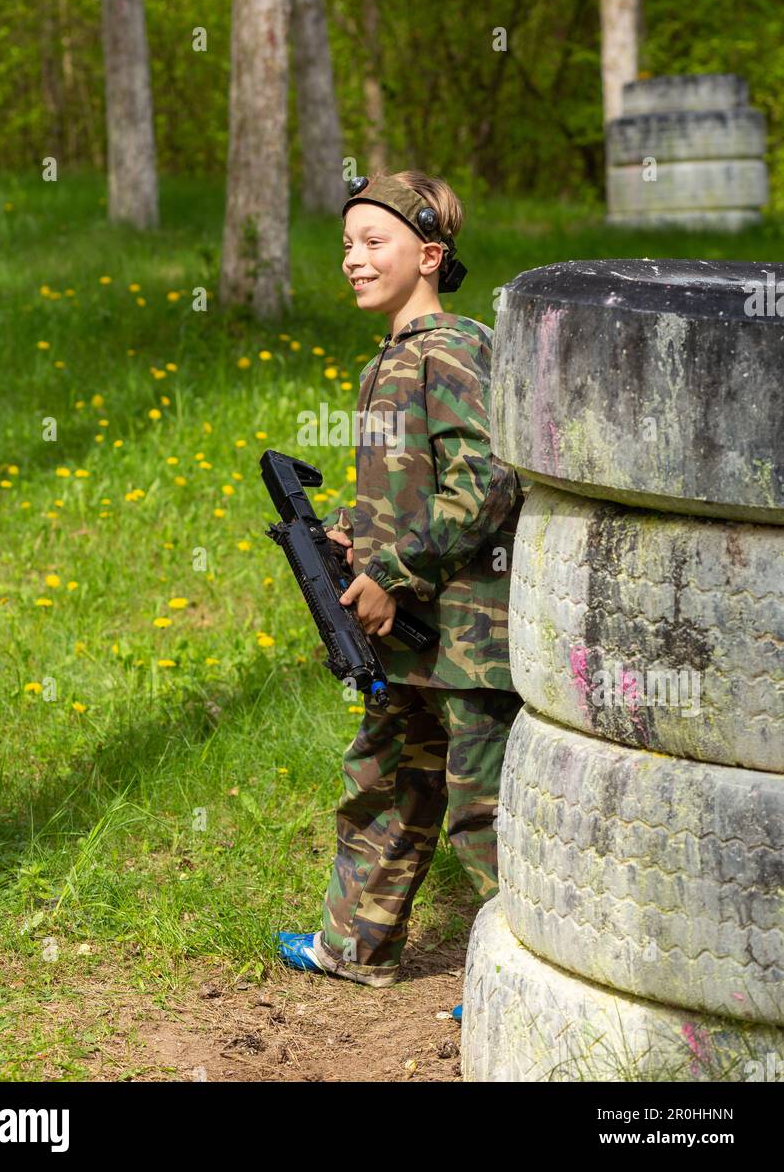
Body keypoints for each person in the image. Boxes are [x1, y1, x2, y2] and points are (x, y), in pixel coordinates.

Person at [275, 171, 525, 1019]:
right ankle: (355, 948)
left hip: (468, 635)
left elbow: (486, 484)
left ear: (429, 254)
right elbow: (417, 489)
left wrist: (392, 572)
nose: (352, 259)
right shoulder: (393, 358)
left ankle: (518, 991)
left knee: (484, 816)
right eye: (346, 244)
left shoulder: (451, 348)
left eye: (372, 241)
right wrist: (352, 538)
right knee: (384, 786)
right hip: (409, 633)